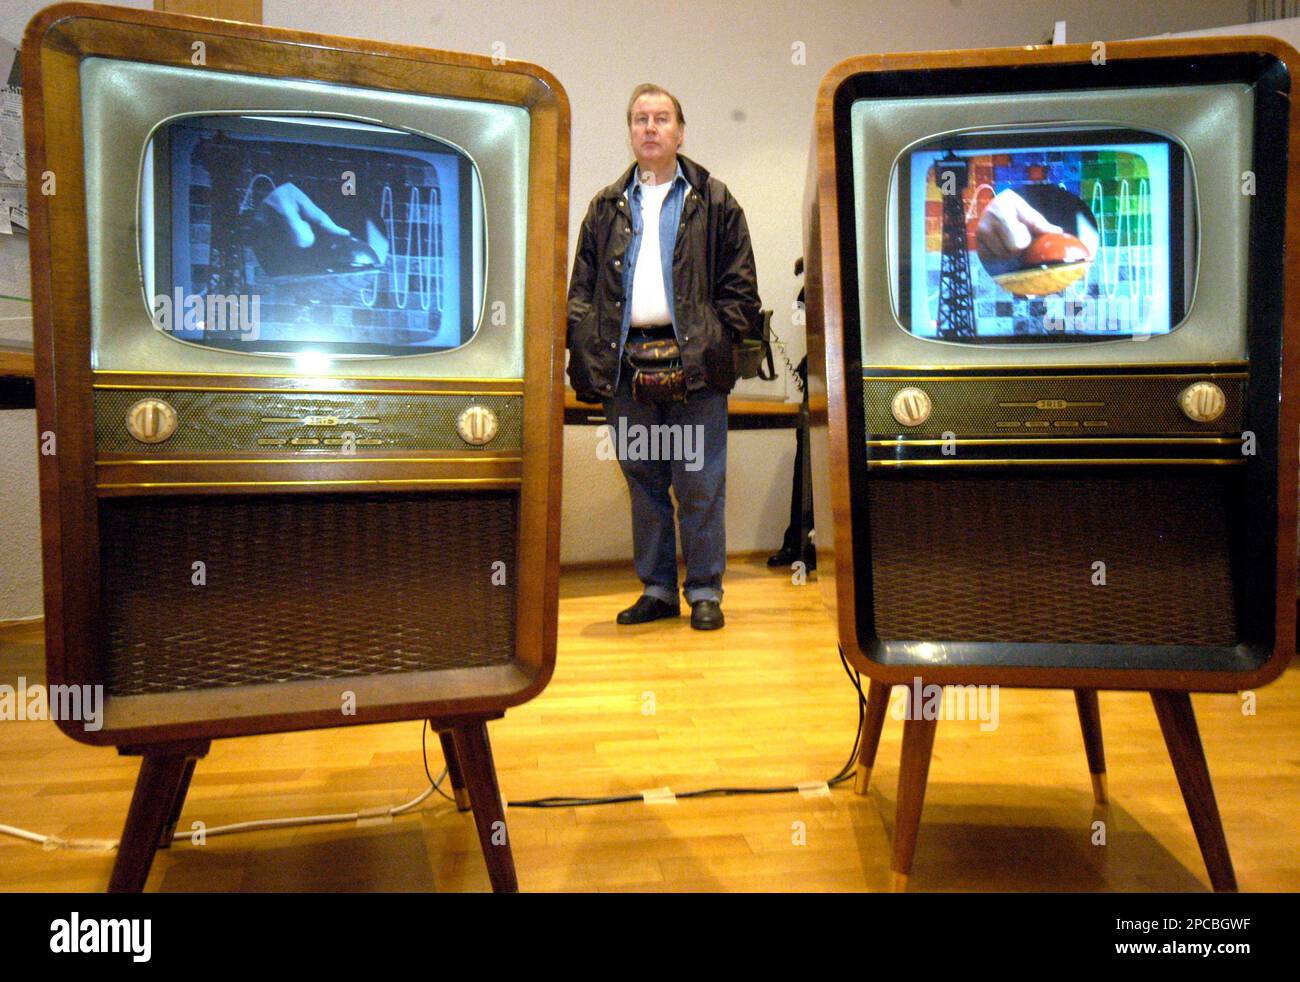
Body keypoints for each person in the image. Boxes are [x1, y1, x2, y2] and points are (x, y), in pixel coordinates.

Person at [566, 83, 761, 630]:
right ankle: (657, 590)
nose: (650, 127)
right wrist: (586, 338)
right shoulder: (606, 207)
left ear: (679, 130)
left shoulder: (715, 200)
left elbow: (741, 291)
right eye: (639, 119)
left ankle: (703, 590)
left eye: (661, 118)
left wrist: (715, 342)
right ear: (630, 132)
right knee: (644, 480)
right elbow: (581, 292)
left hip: (696, 368)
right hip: (625, 367)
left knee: (698, 480)